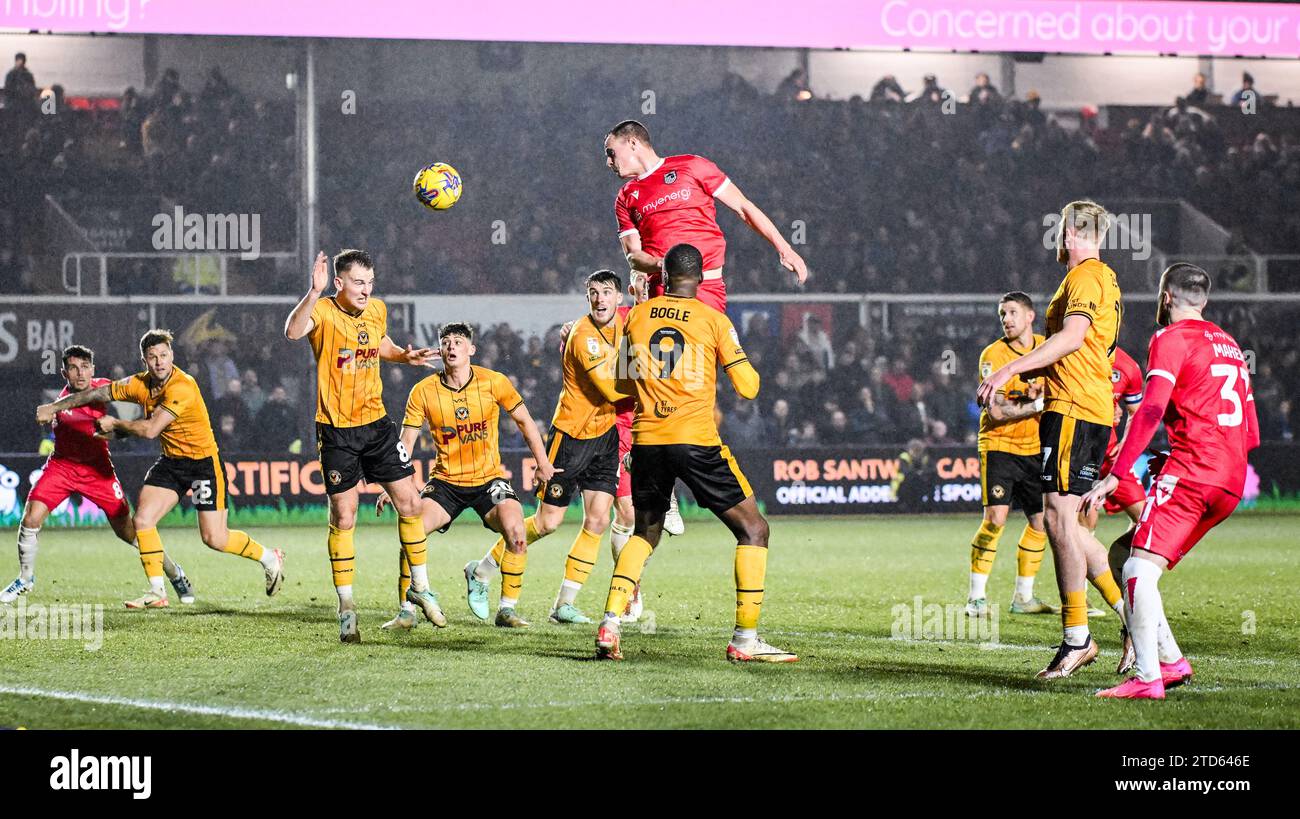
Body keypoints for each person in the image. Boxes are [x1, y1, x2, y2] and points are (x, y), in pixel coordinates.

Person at [594, 243, 796, 663]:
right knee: (754, 530)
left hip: (648, 442)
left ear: (664, 277)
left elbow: (620, 385)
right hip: (695, 442)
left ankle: (610, 623)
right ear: (701, 279)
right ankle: (745, 640)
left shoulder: (637, 317)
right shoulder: (713, 320)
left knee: (644, 534)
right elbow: (749, 388)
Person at [1085, 263, 1259, 699]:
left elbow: (1149, 409)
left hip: (1195, 470)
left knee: (1138, 570)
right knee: (1123, 554)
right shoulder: (1230, 345)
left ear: (1165, 298)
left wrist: (1118, 474)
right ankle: (1171, 660)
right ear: (1205, 300)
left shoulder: (1169, 337)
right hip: (1230, 480)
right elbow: (1252, 432)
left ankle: (1148, 678)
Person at [977, 200, 1127, 679]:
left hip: (1074, 411)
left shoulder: (1085, 277)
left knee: (1060, 522)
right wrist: (1030, 372)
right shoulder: (1102, 278)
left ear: (1070, 233)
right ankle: (1133, 619)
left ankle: (1078, 638)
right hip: (1083, 407)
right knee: (1068, 525)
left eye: (1061, 231)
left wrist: (1009, 369)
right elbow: (1080, 350)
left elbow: (1073, 337)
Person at [36, 331, 283, 609]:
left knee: (215, 538)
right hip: (171, 462)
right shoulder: (139, 384)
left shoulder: (183, 386)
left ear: (172, 356)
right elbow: (98, 392)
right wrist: (55, 407)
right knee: (142, 520)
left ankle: (268, 557)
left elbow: (151, 429)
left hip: (202, 464)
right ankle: (157, 591)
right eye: (152, 357)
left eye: (164, 355)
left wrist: (116, 425)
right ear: (144, 360)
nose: (159, 362)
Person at [283, 249, 440, 643]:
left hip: (377, 426)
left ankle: (420, 587)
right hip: (337, 431)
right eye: (358, 282)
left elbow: (380, 344)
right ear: (339, 283)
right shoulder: (322, 311)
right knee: (345, 515)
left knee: (411, 503)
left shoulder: (377, 309)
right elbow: (292, 332)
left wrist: (403, 356)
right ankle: (346, 606)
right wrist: (312, 292)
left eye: (370, 282)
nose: (366, 290)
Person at [463, 271, 626, 626]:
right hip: (571, 438)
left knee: (598, 520)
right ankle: (482, 570)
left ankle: (564, 604)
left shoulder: (623, 328)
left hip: (605, 437)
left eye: (607, 292)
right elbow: (613, 390)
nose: (600, 299)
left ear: (618, 298)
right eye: (594, 292)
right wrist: (656, 380)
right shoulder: (583, 335)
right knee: (548, 522)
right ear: (587, 298)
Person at [376, 322, 558, 630]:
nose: (451, 346)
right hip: (446, 483)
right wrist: (395, 483)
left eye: (458, 342)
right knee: (412, 530)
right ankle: (407, 611)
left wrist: (543, 463)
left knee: (516, 532)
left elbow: (526, 422)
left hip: (489, 481)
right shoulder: (423, 391)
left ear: (471, 349)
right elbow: (406, 441)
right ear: (440, 350)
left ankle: (507, 609)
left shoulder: (494, 382)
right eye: (446, 342)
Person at [5, 346, 192, 605]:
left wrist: (128, 425)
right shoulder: (59, 401)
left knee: (128, 532)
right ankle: (25, 579)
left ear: (93, 369)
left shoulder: (103, 388)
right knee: (31, 517)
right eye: (73, 368)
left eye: (85, 367)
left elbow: (139, 395)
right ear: (64, 373)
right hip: (62, 467)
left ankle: (174, 572)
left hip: (98, 471)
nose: (80, 373)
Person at [604, 119, 808, 314]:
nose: (608, 161)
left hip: (706, 288)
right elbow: (633, 255)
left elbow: (743, 207)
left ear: (632, 143)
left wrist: (785, 249)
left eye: (611, 153)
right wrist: (663, 264)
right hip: (661, 292)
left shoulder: (692, 166)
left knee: (710, 340)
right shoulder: (625, 196)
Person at [966, 292, 1055, 618]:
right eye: (1002, 314)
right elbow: (997, 412)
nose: (1006, 319)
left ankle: (1023, 597)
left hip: (1036, 448)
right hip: (999, 445)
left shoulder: (1047, 348)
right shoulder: (993, 355)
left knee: (1042, 522)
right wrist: (1037, 404)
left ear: (1030, 316)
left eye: (1013, 312)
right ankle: (976, 597)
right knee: (995, 519)